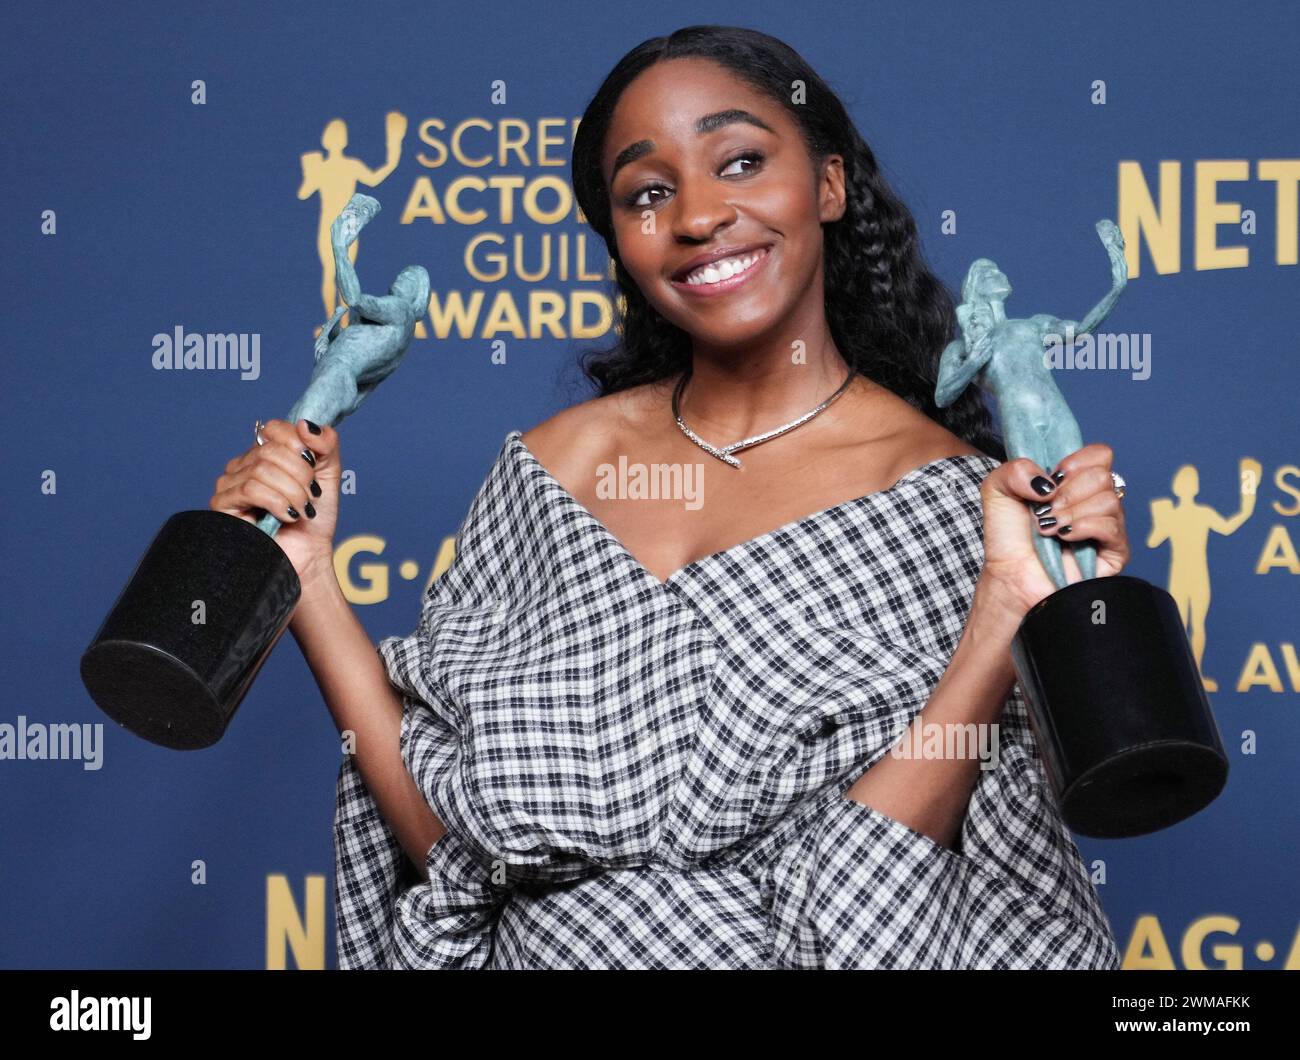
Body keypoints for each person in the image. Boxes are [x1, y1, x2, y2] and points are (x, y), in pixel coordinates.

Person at [210, 25, 1129, 969]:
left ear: (828, 184)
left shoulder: (953, 502)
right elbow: (458, 854)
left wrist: (1007, 612)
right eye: (648, 192)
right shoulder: (551, 469)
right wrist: (309, 578)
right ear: (620, 240)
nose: (697, 215)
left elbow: (886, 898)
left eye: (740, 160)